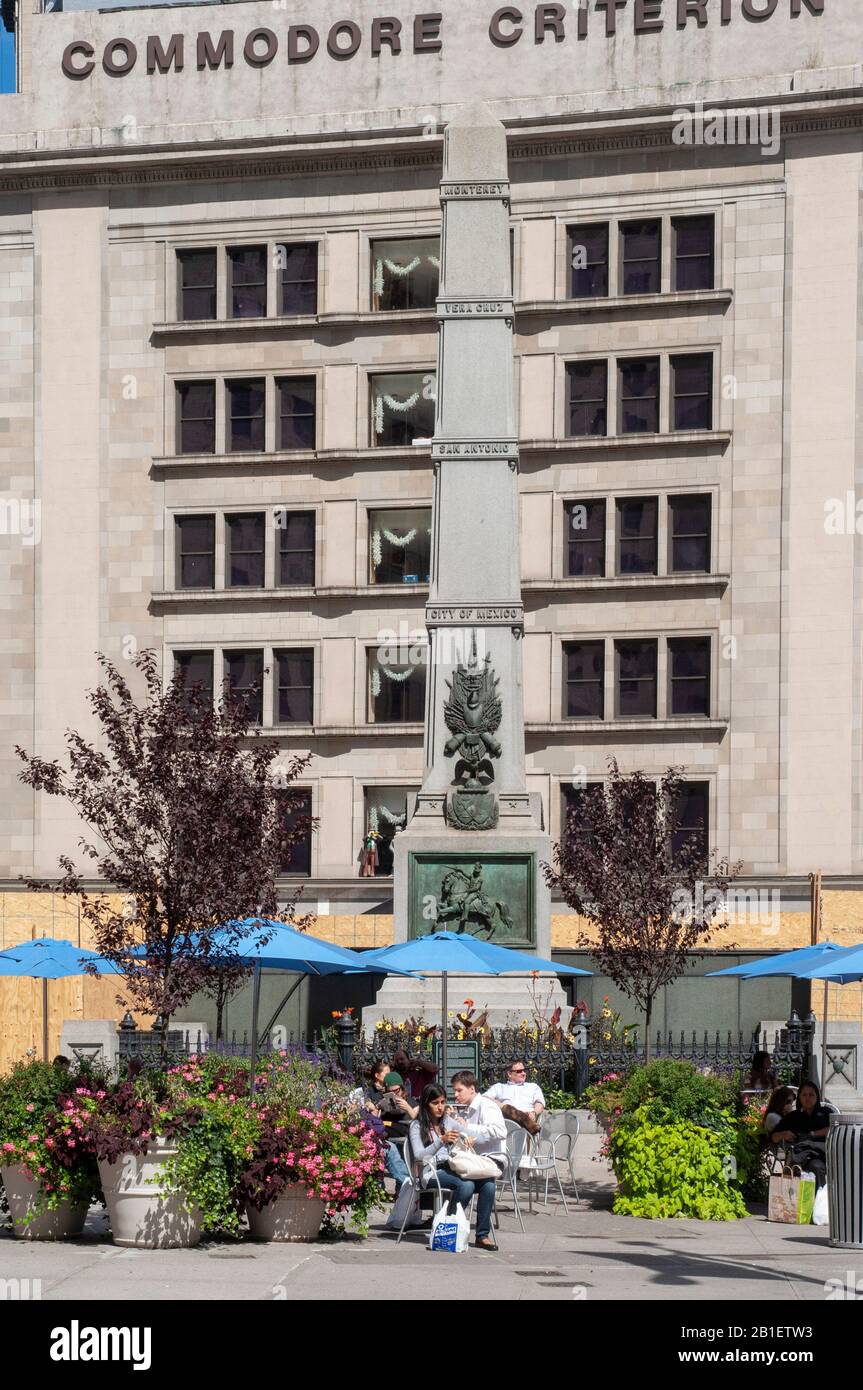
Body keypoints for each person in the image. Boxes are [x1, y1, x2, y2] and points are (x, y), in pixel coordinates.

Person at [409, 1081, 501, 1251]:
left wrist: (471, 1136)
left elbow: (473, 1134)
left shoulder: (447, 1121)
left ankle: (482, 1235)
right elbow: (419, 1156)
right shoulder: (417, 1126)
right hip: (430, 1172)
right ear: (425, 1104)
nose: (440, 1107)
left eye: (443, 1102)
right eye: (435, 1103)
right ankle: (448, 1227)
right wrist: (441, 1141)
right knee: (466, 1185)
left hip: (452, 1166)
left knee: (488, 1183)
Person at [770, 1080, 834, 1188]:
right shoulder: (793, 1117)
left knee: (816, 1166)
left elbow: (835, 1129)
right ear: (799, 1097)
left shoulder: (825, 1113)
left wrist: (813, 1134)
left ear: (817, 1097)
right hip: (799, 1156)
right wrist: (783, 1134)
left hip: (822, 1155)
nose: (807, 1098)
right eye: (804, 1095)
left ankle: (818, 1202)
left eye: (811, 1094)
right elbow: (773, 1137)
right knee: (797, 1167)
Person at [377, 1072, 419, 1193]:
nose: (395, 1094)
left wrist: (407, 1108)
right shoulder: (384, 1102)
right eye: (390, 1092)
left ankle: (404, 1185)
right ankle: (398, 1185)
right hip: (387, 1135)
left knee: (389, 1146)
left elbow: (418, 1124)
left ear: (402, 1088)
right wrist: (378, 1107)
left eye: (397, 1091)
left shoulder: (411, 1102)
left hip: (403, 1134)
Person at [484, 1060, 545, 1132]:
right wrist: (502, 1105)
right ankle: (526, 1120)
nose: (523, 1073)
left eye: (524, 1070)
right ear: (509, 1074)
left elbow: (540, 1103)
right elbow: (484, 1098)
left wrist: (534, 1112)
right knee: (507, 1108)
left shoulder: (532, 1087)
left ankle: (526, 1120)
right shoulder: (499, 1087)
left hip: (529, 1118)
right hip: (507, 1122)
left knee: (522, 1115)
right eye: (519, 1071)